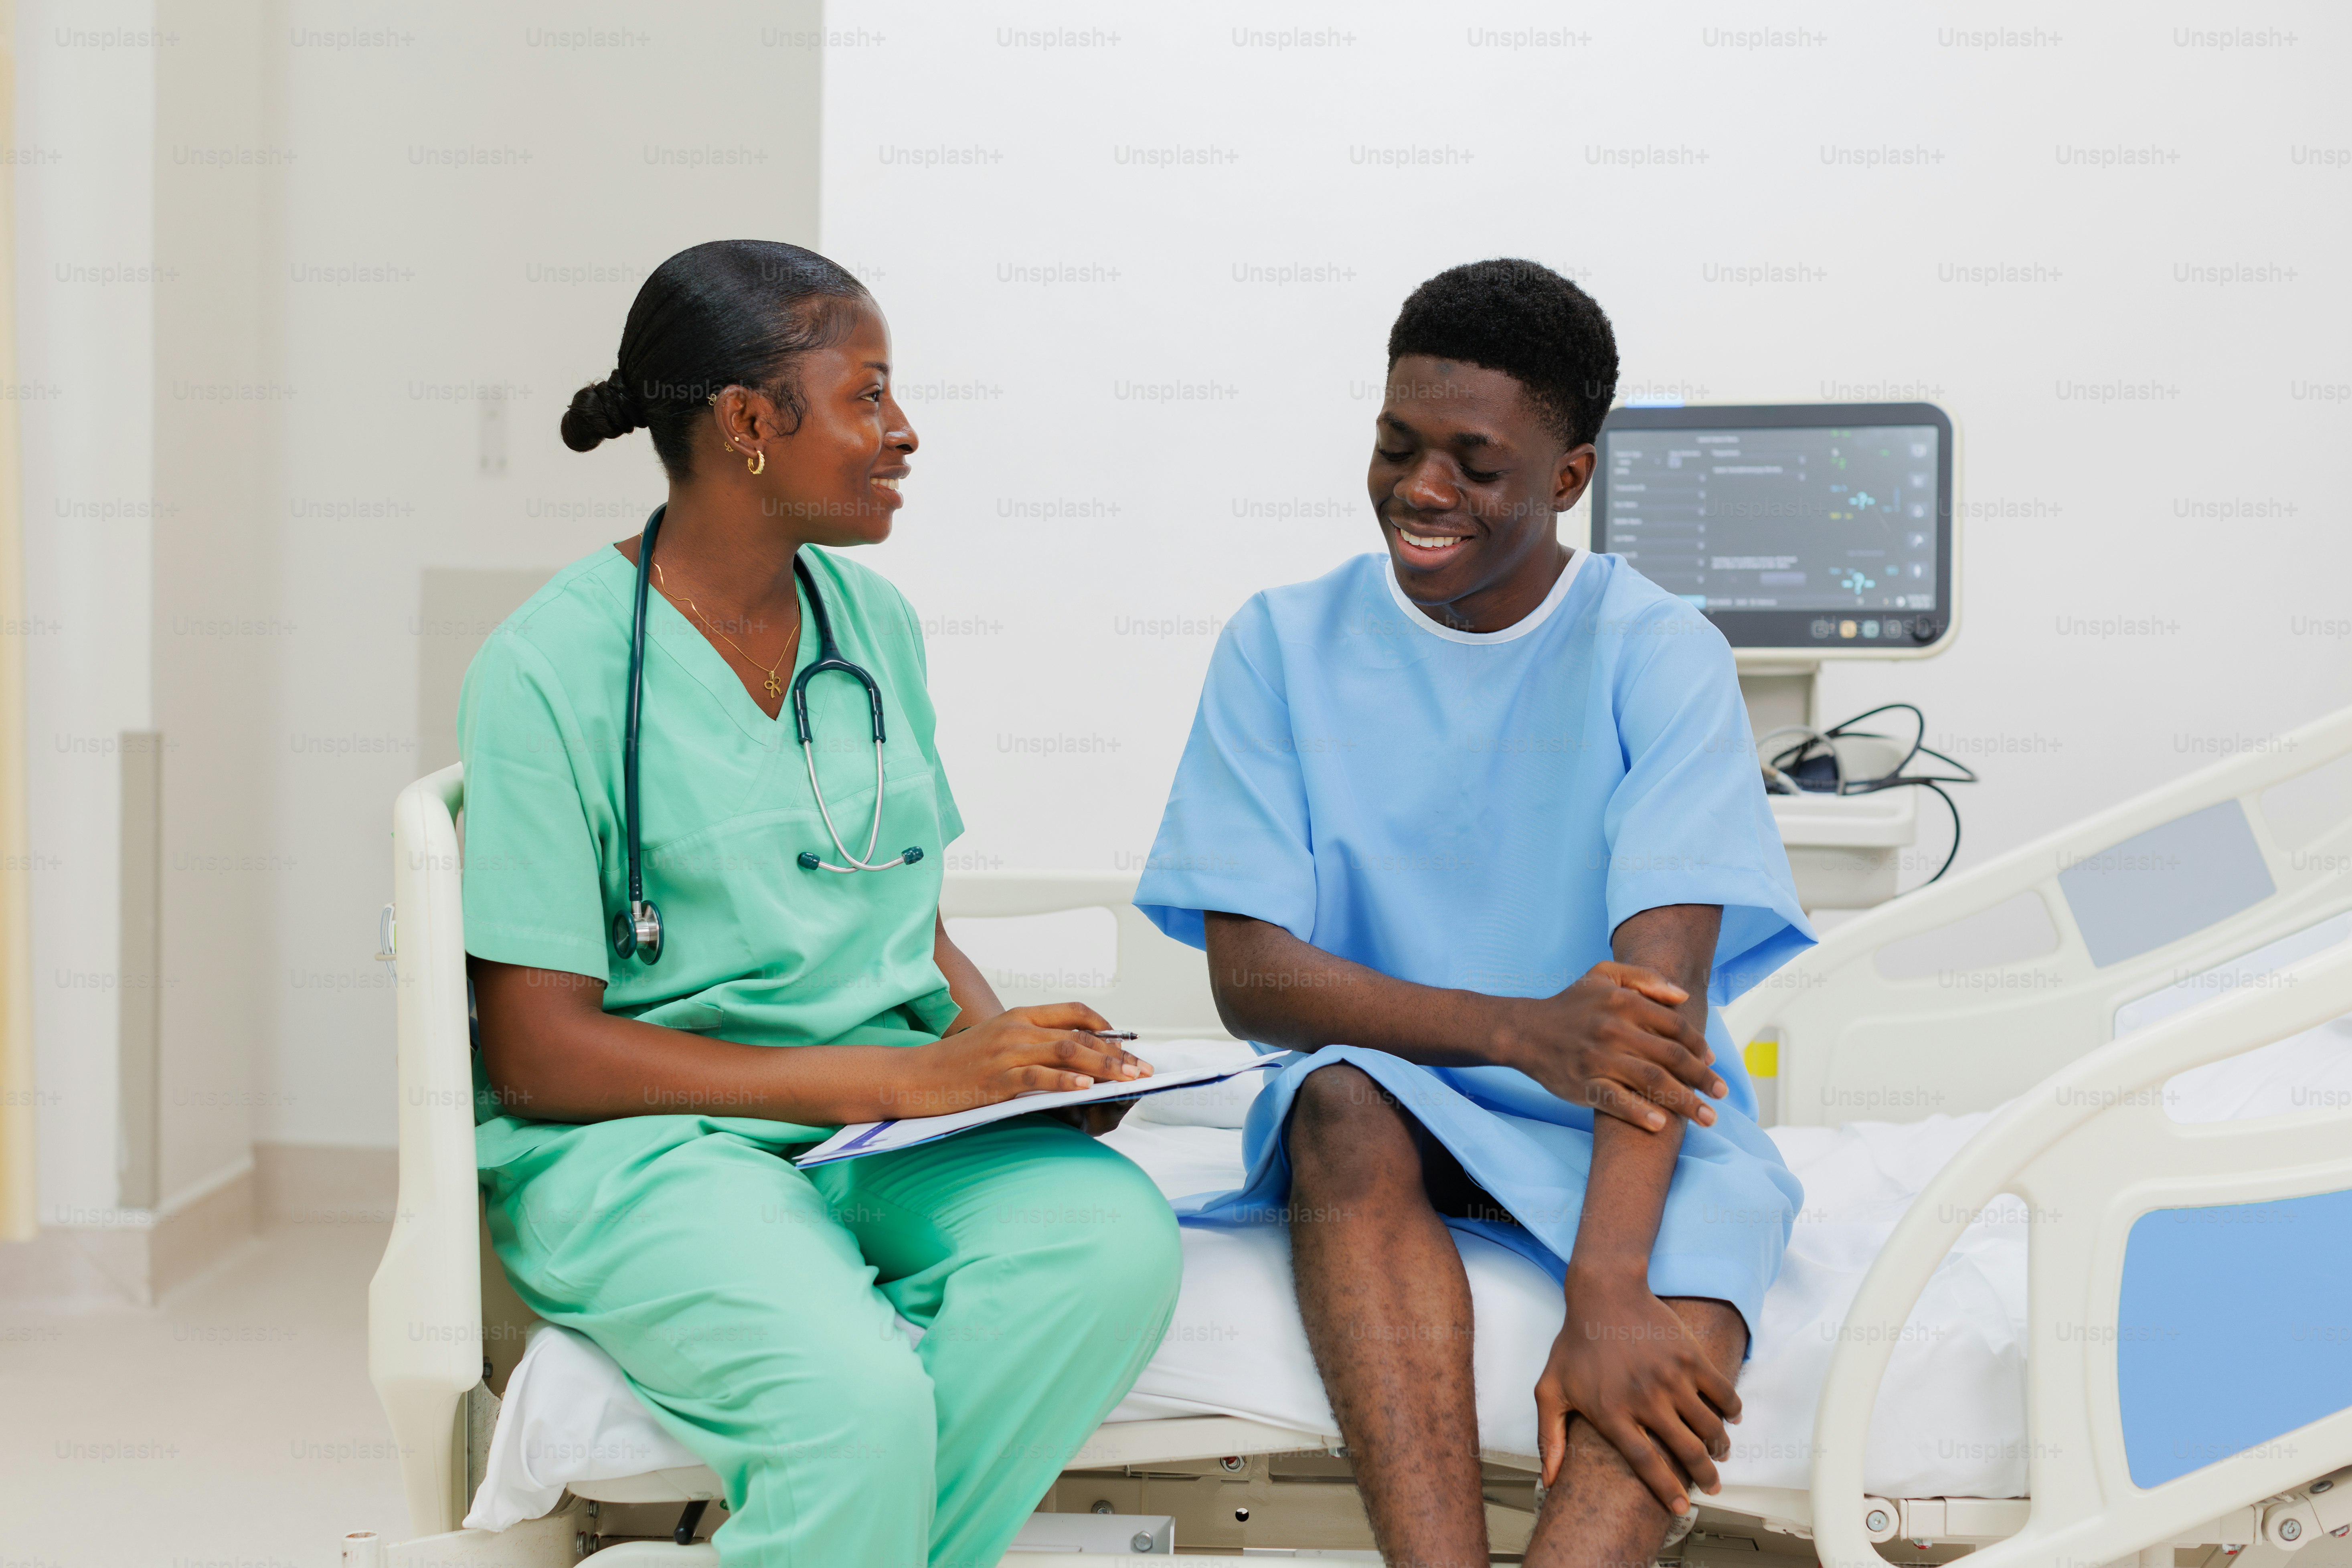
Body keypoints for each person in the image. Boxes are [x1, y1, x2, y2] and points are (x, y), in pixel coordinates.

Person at [460, 239, 1181, 1568]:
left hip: (881, 1124)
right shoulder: (547, 669)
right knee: (853, 1407)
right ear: (747, 425)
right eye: (869, 396)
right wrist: (897, 1085)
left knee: (1112, 1246)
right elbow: (538, 1054)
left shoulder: (871, 625)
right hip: (648, 1147)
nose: (903, 435)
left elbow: (912, 914)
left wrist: (1018, 1064)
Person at [1134, 258, 1813, 1568]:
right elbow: (1253, 977)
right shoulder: (1280, 644)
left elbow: (1653, 1016)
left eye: (1473, 463)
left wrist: (1607, 1287)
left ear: (1567, 476)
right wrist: (1516, 1034)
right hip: (1396, 1103)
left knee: (1661, 1348)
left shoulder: (1656, 651)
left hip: (1632, 1137)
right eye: (1396, 446)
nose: (1421, 491)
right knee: (1332, 1097)